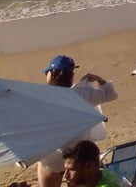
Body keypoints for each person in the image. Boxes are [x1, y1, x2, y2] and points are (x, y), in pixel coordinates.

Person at [36, 56, 118, 187]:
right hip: (78, 158)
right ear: (71, 75)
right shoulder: (83, 94)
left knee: (44, 165)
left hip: (54, 158)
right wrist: (99, 80)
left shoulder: (42, 99)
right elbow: (111, 95)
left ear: (52, 73)